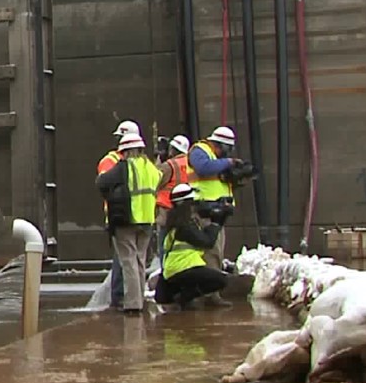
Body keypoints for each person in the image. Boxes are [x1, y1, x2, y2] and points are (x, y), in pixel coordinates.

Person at [96, 131, 162, 315]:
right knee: (140, 261)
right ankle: (139, 298)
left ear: (125, 151)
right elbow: (159, 182)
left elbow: (102, 182)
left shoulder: (124, 166)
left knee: (129, 261)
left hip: (127, 220)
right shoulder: (150, 168)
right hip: (147, 221)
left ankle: (133, 304)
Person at [187, 126, 251, 307]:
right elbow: (203, 168)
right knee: (210, 252)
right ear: (218, 144)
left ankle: (209, 292)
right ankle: (209, 293)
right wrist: (229, 163)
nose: (227, 153)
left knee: (216, 252)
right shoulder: (199, 151)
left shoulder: (217, 158)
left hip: (219, 210)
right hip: (204, 209)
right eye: (226, 148)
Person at [154, 184, 229, 311]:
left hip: (173, 271)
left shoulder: (175, 222)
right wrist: (216, 223)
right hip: (184, 269)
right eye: (193, 203)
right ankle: (183, 298)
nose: (195, 207)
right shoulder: (184, 226)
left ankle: (183, 297)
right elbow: (207, 242)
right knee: (221, 280)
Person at [98, 120, 140, 310]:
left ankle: (127, 296)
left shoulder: (136, 162)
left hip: (136, 214)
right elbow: (105, 184)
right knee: (123, 259)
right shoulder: (111, 160)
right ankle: (119, 296)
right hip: (120, 214)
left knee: (129, 259)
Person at [153, 134, 192, 266]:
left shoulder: (170, 165)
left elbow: (154, 179)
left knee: (165, 243)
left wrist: (159, 159)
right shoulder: (191, 163)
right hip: (186, 209)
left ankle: (166, 270)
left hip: (167, 209)